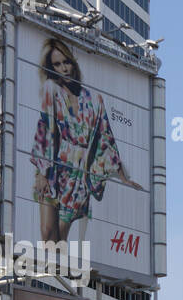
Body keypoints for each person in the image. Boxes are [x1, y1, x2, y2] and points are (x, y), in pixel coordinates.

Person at [31, 36, 143, 244]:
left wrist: (122, 176)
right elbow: (46, 129)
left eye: (66, 62)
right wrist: (42, 173)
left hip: (79, 175)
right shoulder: (51, 89)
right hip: (53, 169)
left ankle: (51, 277)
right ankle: (38, 273)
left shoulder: (94, 99)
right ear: (50, 68)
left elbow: (105, 137)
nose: (63, 68)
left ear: (73, 64)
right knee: (47, 233)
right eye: (57, 64)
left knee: (60, 240)